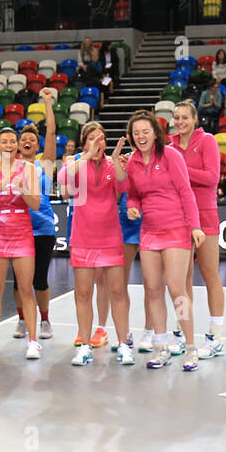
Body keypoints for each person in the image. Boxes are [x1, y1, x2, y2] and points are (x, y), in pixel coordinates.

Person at [123, 110, 205, 371]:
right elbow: (134, 194)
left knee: (177, 290)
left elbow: (186, 192)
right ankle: (161, 347)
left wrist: (195, 227)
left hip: (176, 230)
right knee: (152, 289)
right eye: (136, 133)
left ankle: (190, 347)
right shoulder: (133, 161)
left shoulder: (171, 155)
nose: (141, 137)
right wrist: (132, 206)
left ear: (154, 133)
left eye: (145, 132)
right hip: (149, 232)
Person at [58, 122, 132, 366]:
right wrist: (87, 156)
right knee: (83, 293)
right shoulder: (74, 163)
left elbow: (123, 186)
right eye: (91, 139)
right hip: (83, 238)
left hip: (110, 237)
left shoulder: (113, 164)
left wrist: (116, 161)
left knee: (118, 292)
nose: (96, 143)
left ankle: (123, 345)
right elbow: (62, 185)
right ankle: (85, 346)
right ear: (84, 143)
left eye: (100, 139)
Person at [0, 127, 42, 359]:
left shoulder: (29, 169)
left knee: (26, 290)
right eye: (5, 142)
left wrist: (23, 189)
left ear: (18, 145)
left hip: (22, 233)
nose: (9, 145)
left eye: (13, 141)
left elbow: (35, 204)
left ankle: (33, 342)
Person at [170, 102, 226, 359]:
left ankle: (216, 336)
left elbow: (212, 178)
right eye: (176, 117)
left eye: (184, 117)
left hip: (205, 215)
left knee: (209, 274)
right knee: (181, 281)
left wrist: (179, 167)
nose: (180, 121)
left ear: (194, 119)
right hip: (177, 217)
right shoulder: (169, 147)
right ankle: (183, 333)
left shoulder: (207, 141)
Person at [13, 89, 60, 340]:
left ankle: (44, 320)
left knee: (40, 279)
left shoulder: (45, 164)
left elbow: (51, 131)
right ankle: (21, 319)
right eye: (24, 139)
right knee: (18, 282)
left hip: (42, 229)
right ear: (19, 145)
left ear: (37, 144)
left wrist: (47, 102)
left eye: (32, 138)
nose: (28, 141)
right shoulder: (11, 165)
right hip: (17, 229)